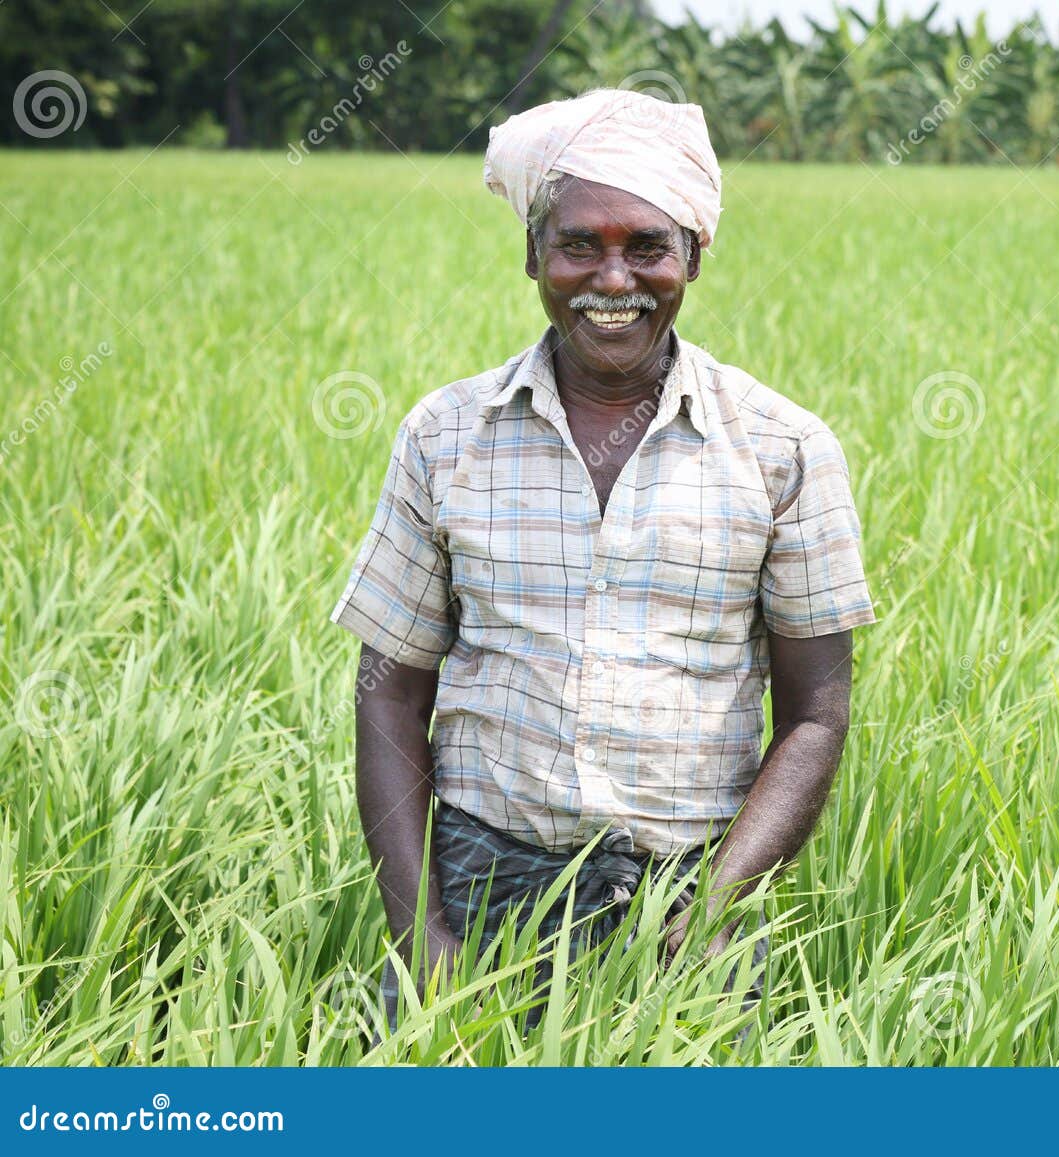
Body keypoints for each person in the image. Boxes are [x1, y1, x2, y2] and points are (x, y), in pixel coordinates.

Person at [329, 88, 877, 1037]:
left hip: (690, 896)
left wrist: (711, 912)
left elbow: (817, 716)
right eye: (580, 244)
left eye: (646, 247)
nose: (612, 277)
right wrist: (420, 929)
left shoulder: (785, 448)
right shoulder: (446, 435)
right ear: (534, 254)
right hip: (473, 878)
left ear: (693, 257)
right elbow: (386, 691)